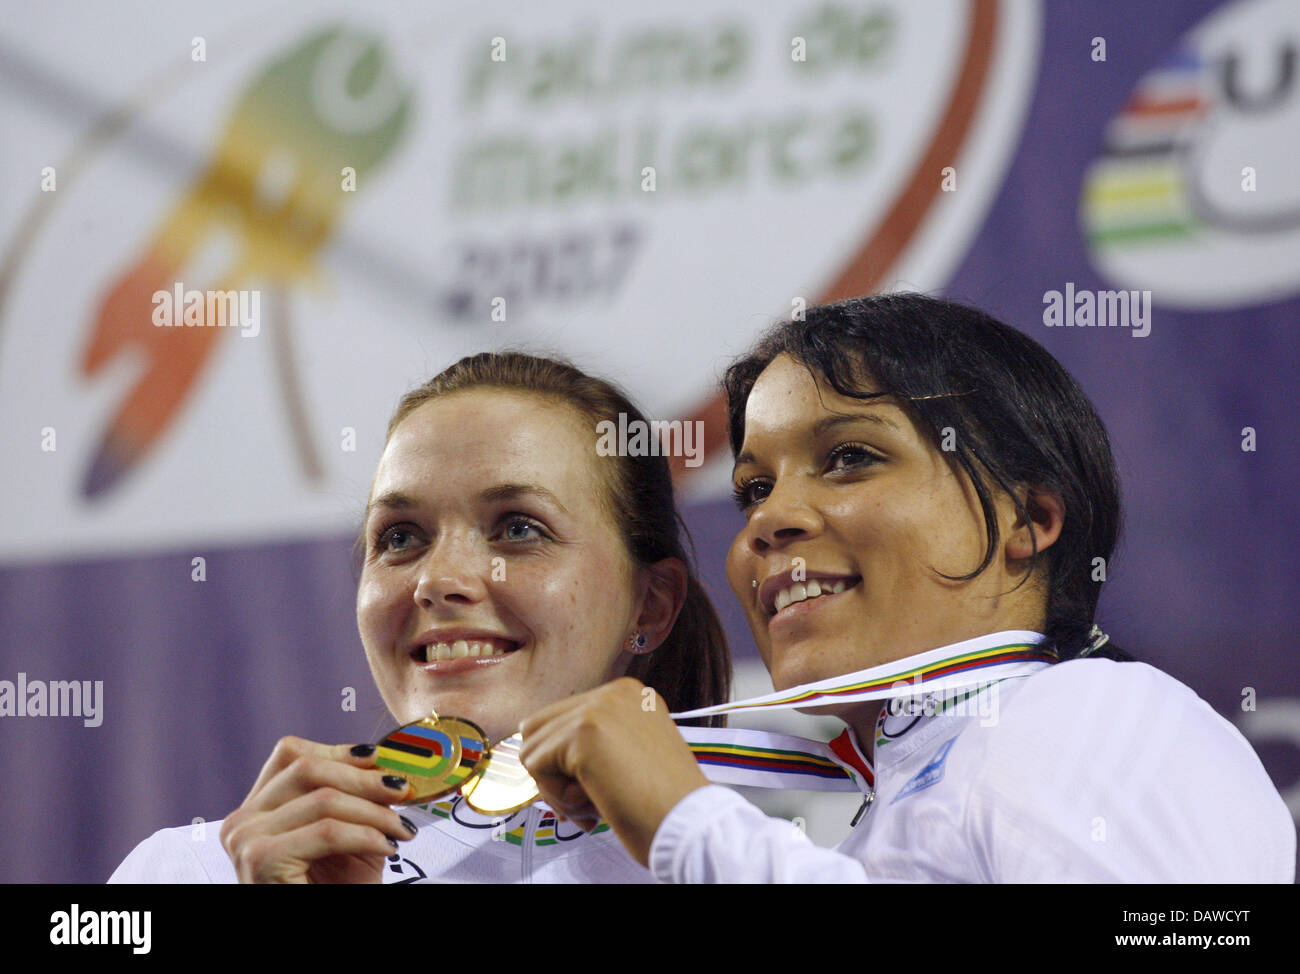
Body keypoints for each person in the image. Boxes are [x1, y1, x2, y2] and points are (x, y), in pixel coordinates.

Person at [518, 293, 1296, 882]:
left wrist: (686, 823)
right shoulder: (888, 812)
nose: (768, 521)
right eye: (754, 487)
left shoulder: (1093, 711)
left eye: (851, 457)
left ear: (1028, 518)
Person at [109, 352, 730, 883]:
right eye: (401, 537)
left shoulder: (741, 865)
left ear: (650, 603)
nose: (437, 580)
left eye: (518, 528)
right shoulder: (187, 871)